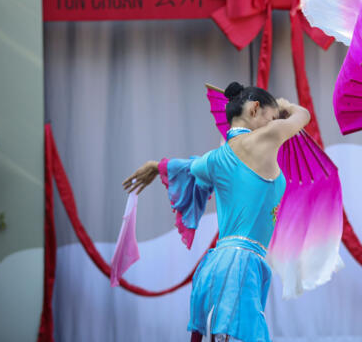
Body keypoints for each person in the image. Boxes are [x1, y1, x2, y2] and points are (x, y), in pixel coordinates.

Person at [123, 82, 309, 342]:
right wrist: (286, 106)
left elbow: (188, 167)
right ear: (256, 108)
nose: (274, 121)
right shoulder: (265, 138)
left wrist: (157, 166)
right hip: (242, 264)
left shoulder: (215, 158)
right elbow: (304, 116)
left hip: (219, 263)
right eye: (271, 115)